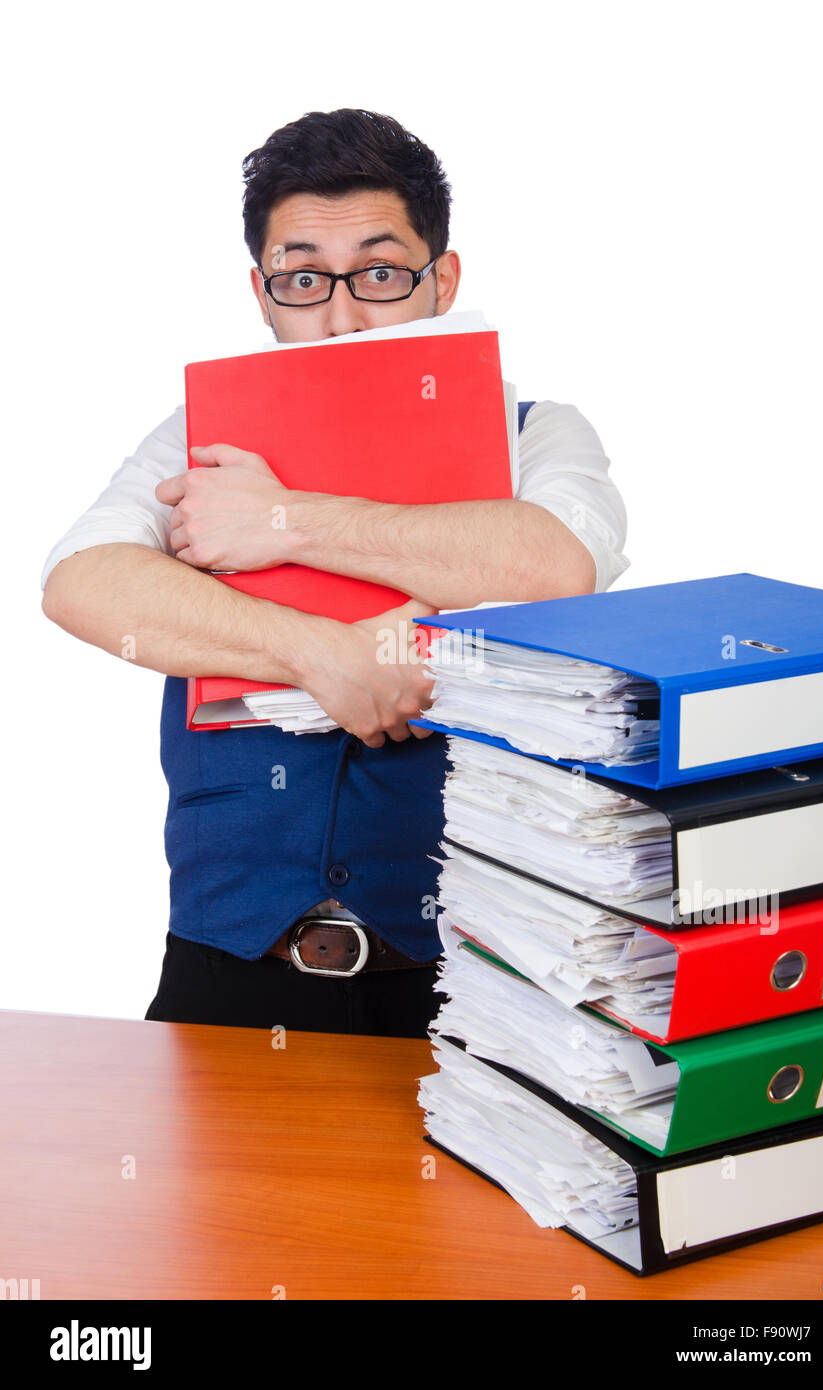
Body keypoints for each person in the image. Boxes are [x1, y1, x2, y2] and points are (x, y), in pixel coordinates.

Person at [40, 108, 630, 1038]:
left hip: (477, 974)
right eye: (305, 278)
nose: (343, 316)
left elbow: (553, 564)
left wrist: (281, 520)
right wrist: (317, 653)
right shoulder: (194, 435)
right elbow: (82, 583)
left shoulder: (540, 433)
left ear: (444, 280)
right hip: (225, 967)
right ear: (263, 293)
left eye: (382, 273)